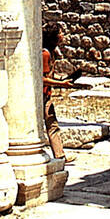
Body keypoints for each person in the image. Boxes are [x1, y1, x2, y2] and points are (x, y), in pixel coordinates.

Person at [41, 23, 72, 160]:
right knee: (50, 124)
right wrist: (61, 84)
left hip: (46, 95)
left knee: (52, 124)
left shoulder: (51, 52)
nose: (63, 35)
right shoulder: (45, 54)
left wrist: (62, 80)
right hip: (41, 96)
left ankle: (60, 155)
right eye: (60, 32)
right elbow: (42, 79)